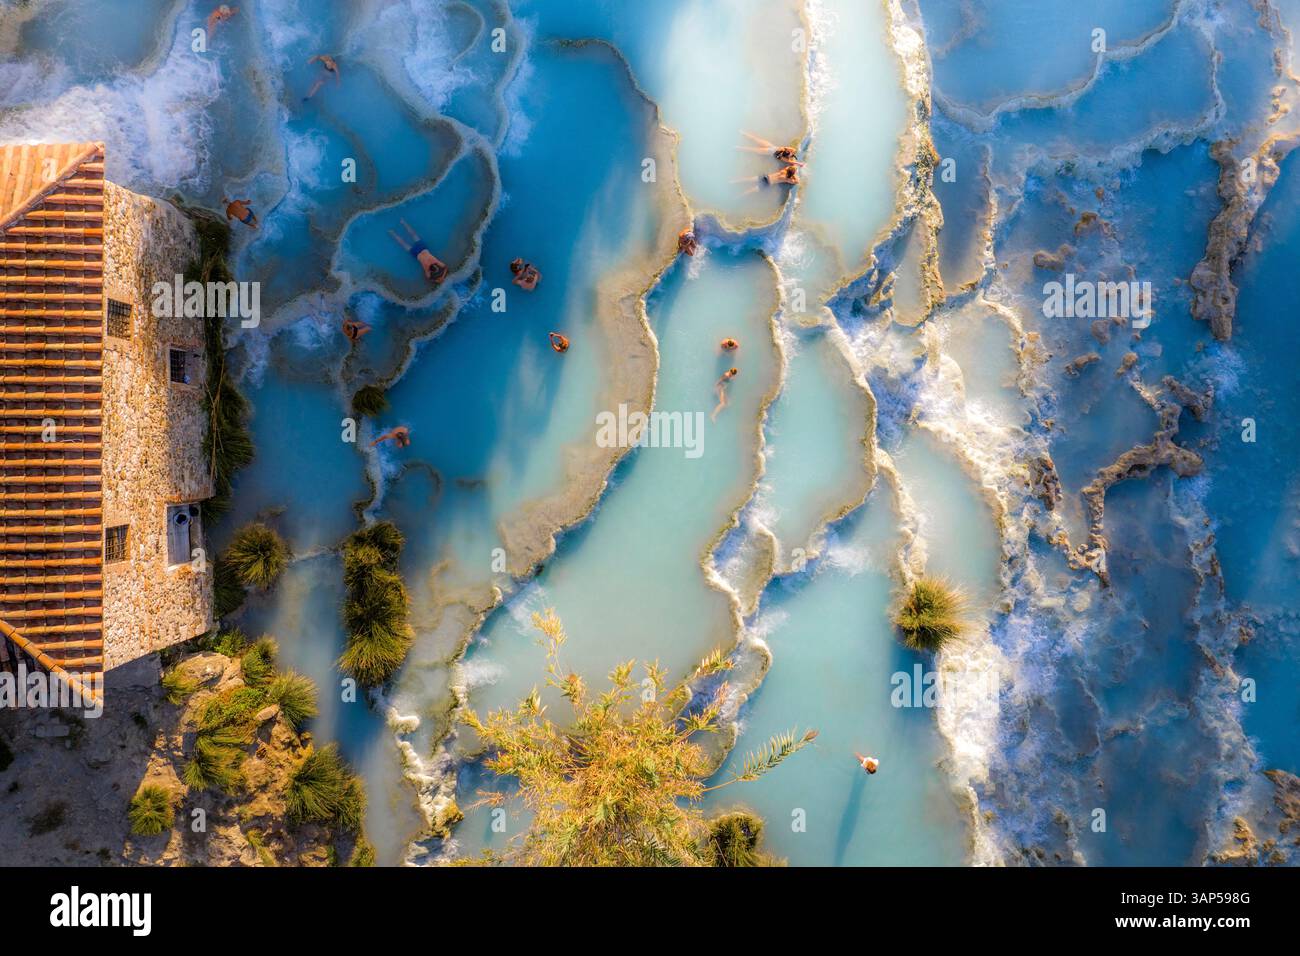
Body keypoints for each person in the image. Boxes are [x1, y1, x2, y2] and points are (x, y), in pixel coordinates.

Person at [388, 218, 448, 285]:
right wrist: (440, 279)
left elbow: (444, 267)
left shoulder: (434, 261)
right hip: (417, 253)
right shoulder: (427, 268)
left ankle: (403, 223)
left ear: (436, 266)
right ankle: (392, 232)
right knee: (404, 243)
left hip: (422, 249)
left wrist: (441, 277)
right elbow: (430, 277)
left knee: (413, 235)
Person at [738, 131, 804, 166]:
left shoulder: (784, 149)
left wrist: (793, 155)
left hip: (771, 146)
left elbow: (792, 151)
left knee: (755, 140)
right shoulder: (783, 157)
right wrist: (799, 163)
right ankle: (739, 147)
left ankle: (742, 133)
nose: (791, 155)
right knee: (753, 148)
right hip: (768, 151)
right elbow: (791, 161)